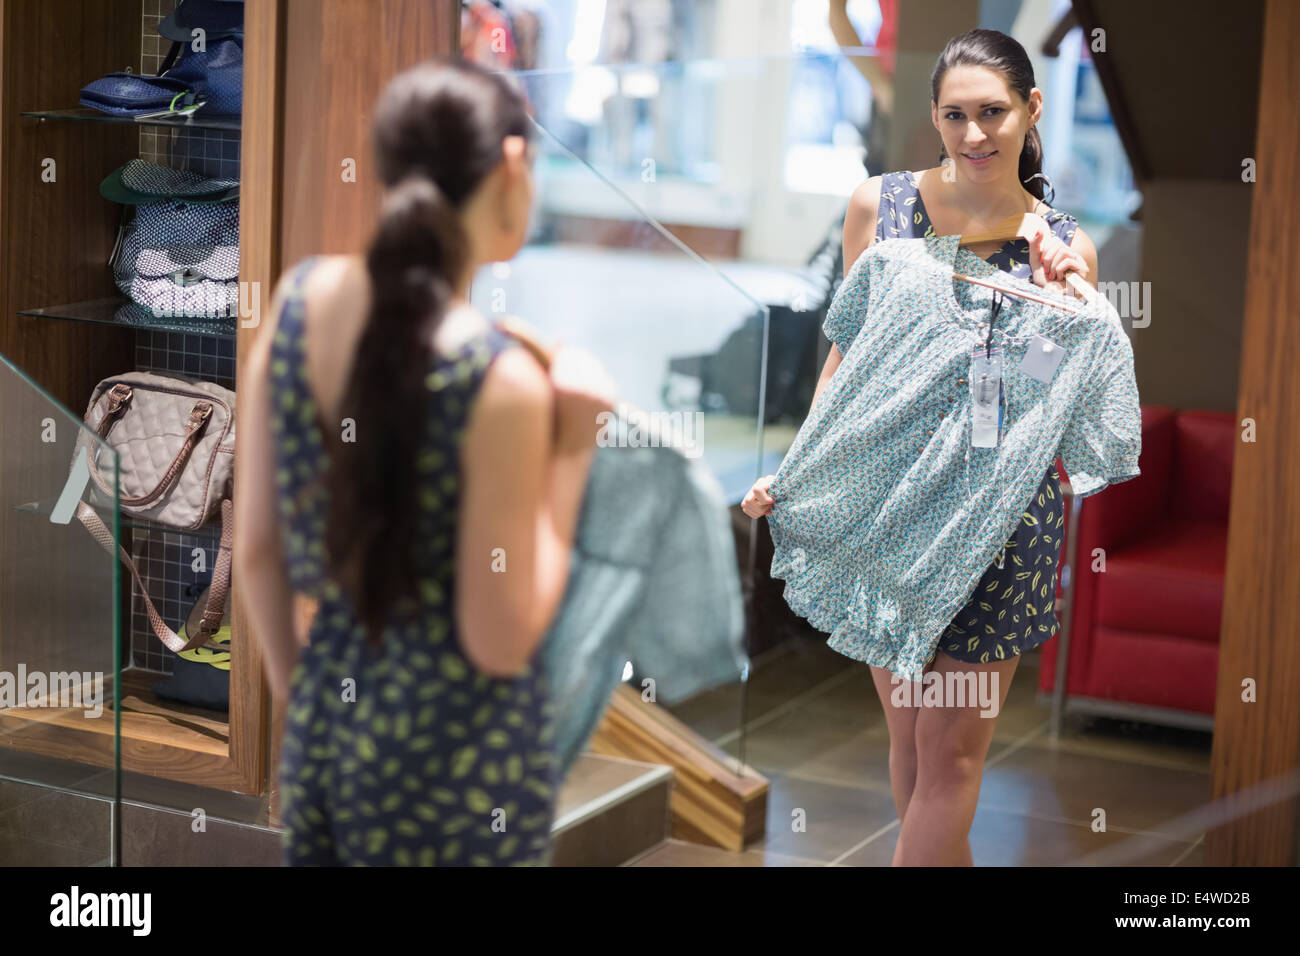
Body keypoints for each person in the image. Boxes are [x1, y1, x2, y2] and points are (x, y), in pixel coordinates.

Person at [233, 58, 614, 866]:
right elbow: (498, 641)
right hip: (458, 768)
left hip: (325, 743)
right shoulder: (495, 379)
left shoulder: (299, 303)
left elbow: (258, 551)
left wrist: (303, 701)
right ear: (512, 164)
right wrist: (574, 449)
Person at [741, 29, 1099, 866]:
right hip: (887, 509)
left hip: (998, 520)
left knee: (950, 760)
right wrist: (798, 472)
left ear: (1031, 110)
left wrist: (1055, 304)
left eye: (993, 113)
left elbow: (1039, 397)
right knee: (909, 749)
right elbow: (848, 356)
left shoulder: (1065, 248)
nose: (974, 135)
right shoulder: (880, 206)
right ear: (934, 119)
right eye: (955, 116)